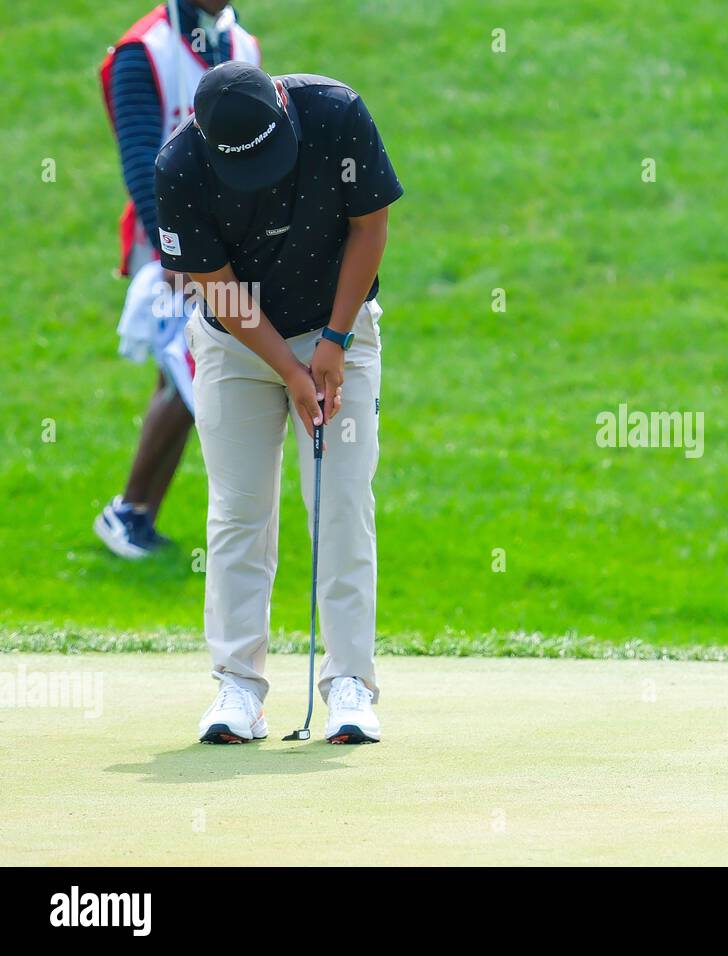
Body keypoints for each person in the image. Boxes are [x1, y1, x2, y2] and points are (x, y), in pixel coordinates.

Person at [155, 62, 402, 744]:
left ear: (284, 111)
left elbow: (370, 228)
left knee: (342, 501)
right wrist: (291, 369)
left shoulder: (336, 114)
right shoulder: (179, 168)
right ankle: (238, 689)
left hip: (339, 326)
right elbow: (216, 285)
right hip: (238, 345)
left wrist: (333, 341)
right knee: (239, 511)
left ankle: (349, 685)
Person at [95, 0, 261, 558]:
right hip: (168, 250)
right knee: (192, 373)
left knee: (187, 375)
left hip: (224, 244)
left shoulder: (242, 45)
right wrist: (175, 252)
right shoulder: (143, 51)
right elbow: (141, 157)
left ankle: (135, 513)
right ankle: (129, 511)